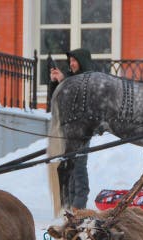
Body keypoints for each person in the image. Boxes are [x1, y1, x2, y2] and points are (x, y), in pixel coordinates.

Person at [49, 48, 95, 210]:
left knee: (79, 168)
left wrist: (64, 81)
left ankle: (78, 207)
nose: (71, 64)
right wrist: (54, 83)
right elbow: (55, 101)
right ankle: (69, 208)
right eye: (70, 61)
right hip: (68, 131)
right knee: (68, 169)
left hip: (82, 131)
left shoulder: (89, 80)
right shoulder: (71, 78)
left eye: (74, 61)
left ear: (82, 61)